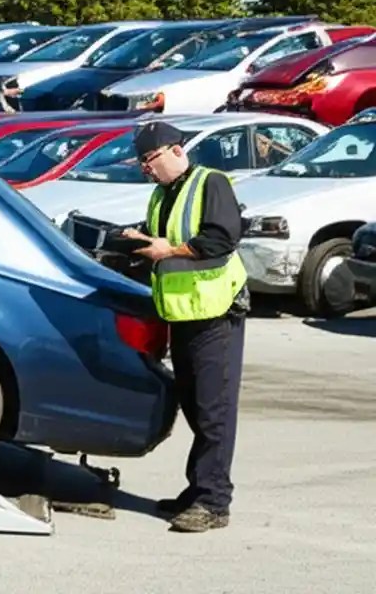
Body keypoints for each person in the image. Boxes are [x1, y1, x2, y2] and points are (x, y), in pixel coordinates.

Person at [121, 120, 250, 534]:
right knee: (196, 408)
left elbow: (219, 239)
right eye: (141, 162)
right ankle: (198, 489)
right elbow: (161, 248)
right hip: (182, 315)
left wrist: (166, 249)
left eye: (150, 159)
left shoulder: (210, 183)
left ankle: (214, 502)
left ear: (176, 150)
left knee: (215, 411)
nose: (146, 169)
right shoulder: (162, 195)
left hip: (216, 315)